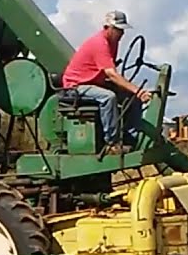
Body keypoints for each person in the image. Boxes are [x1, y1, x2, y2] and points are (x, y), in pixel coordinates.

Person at [60, 10, 152, 153]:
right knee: (108, 97)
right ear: (108, 27)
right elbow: (111, 74)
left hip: (94, 83)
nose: (122, 33)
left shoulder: (113, 43)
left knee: (132, 98)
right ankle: (111, 144)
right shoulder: (99, 44)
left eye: (122, 30)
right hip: (76, 86)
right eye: (118, 29)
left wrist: (134, 92)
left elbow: (109, 73)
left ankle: (130, 140)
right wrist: (138, 91)